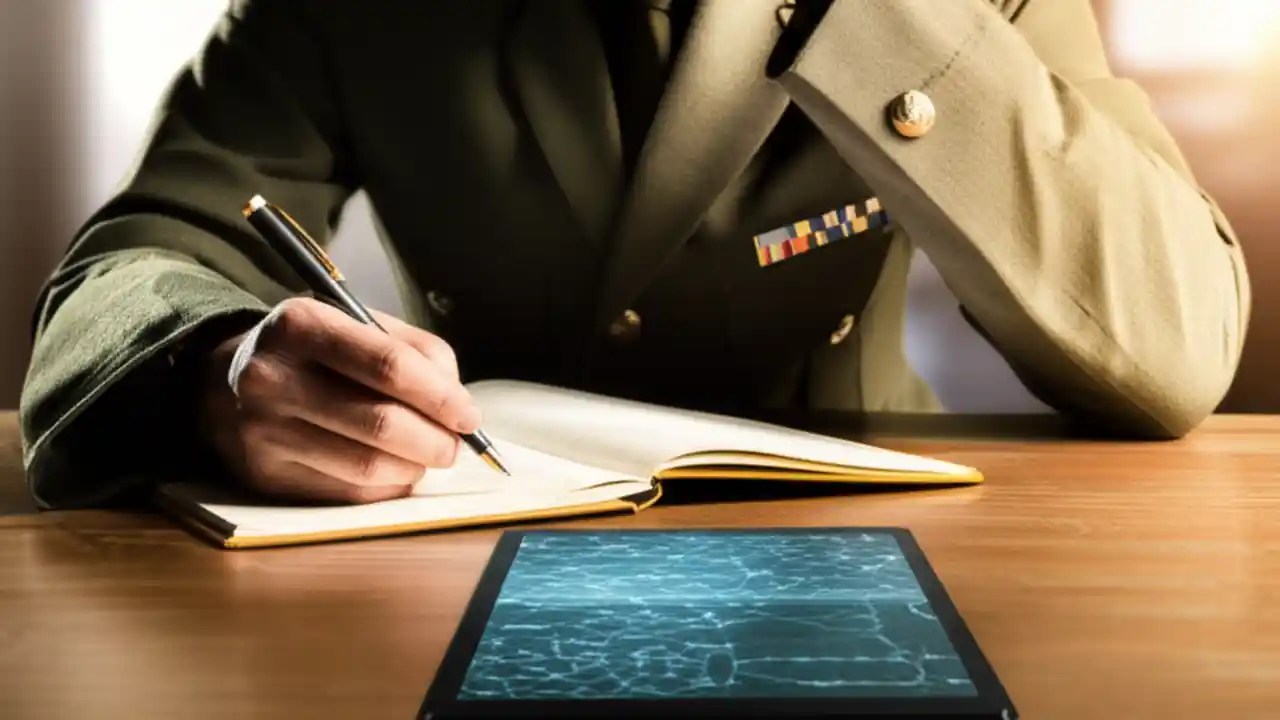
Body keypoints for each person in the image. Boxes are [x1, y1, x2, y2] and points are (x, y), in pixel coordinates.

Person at [19, 0, 1250, 509]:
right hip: (466, 527)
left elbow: (1170, 346)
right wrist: (216, 368)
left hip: (864, 530)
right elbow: (137, 259)